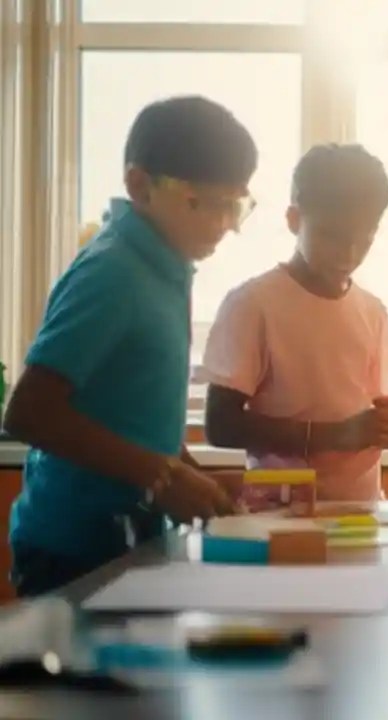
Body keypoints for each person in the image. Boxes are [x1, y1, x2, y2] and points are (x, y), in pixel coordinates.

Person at [2, 96, 255, 596]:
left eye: (236, 205)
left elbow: (138, 419)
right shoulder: (113, 270)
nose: (223, 223)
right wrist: (163, 475)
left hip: (130, 537)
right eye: (203, 202)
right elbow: (28, 411)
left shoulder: (167, 268)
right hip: (72, 549)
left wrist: (194, 478)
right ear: (139, 185)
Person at [202, 144, 388, 509]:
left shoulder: (372, 311)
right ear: (293, 220)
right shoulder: (253, 304)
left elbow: (377, 409)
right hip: (279, 513)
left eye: (364, 238)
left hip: (358, 512)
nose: (348, 254)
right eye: (331, 236)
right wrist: (337, 435)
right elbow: (220, 425)